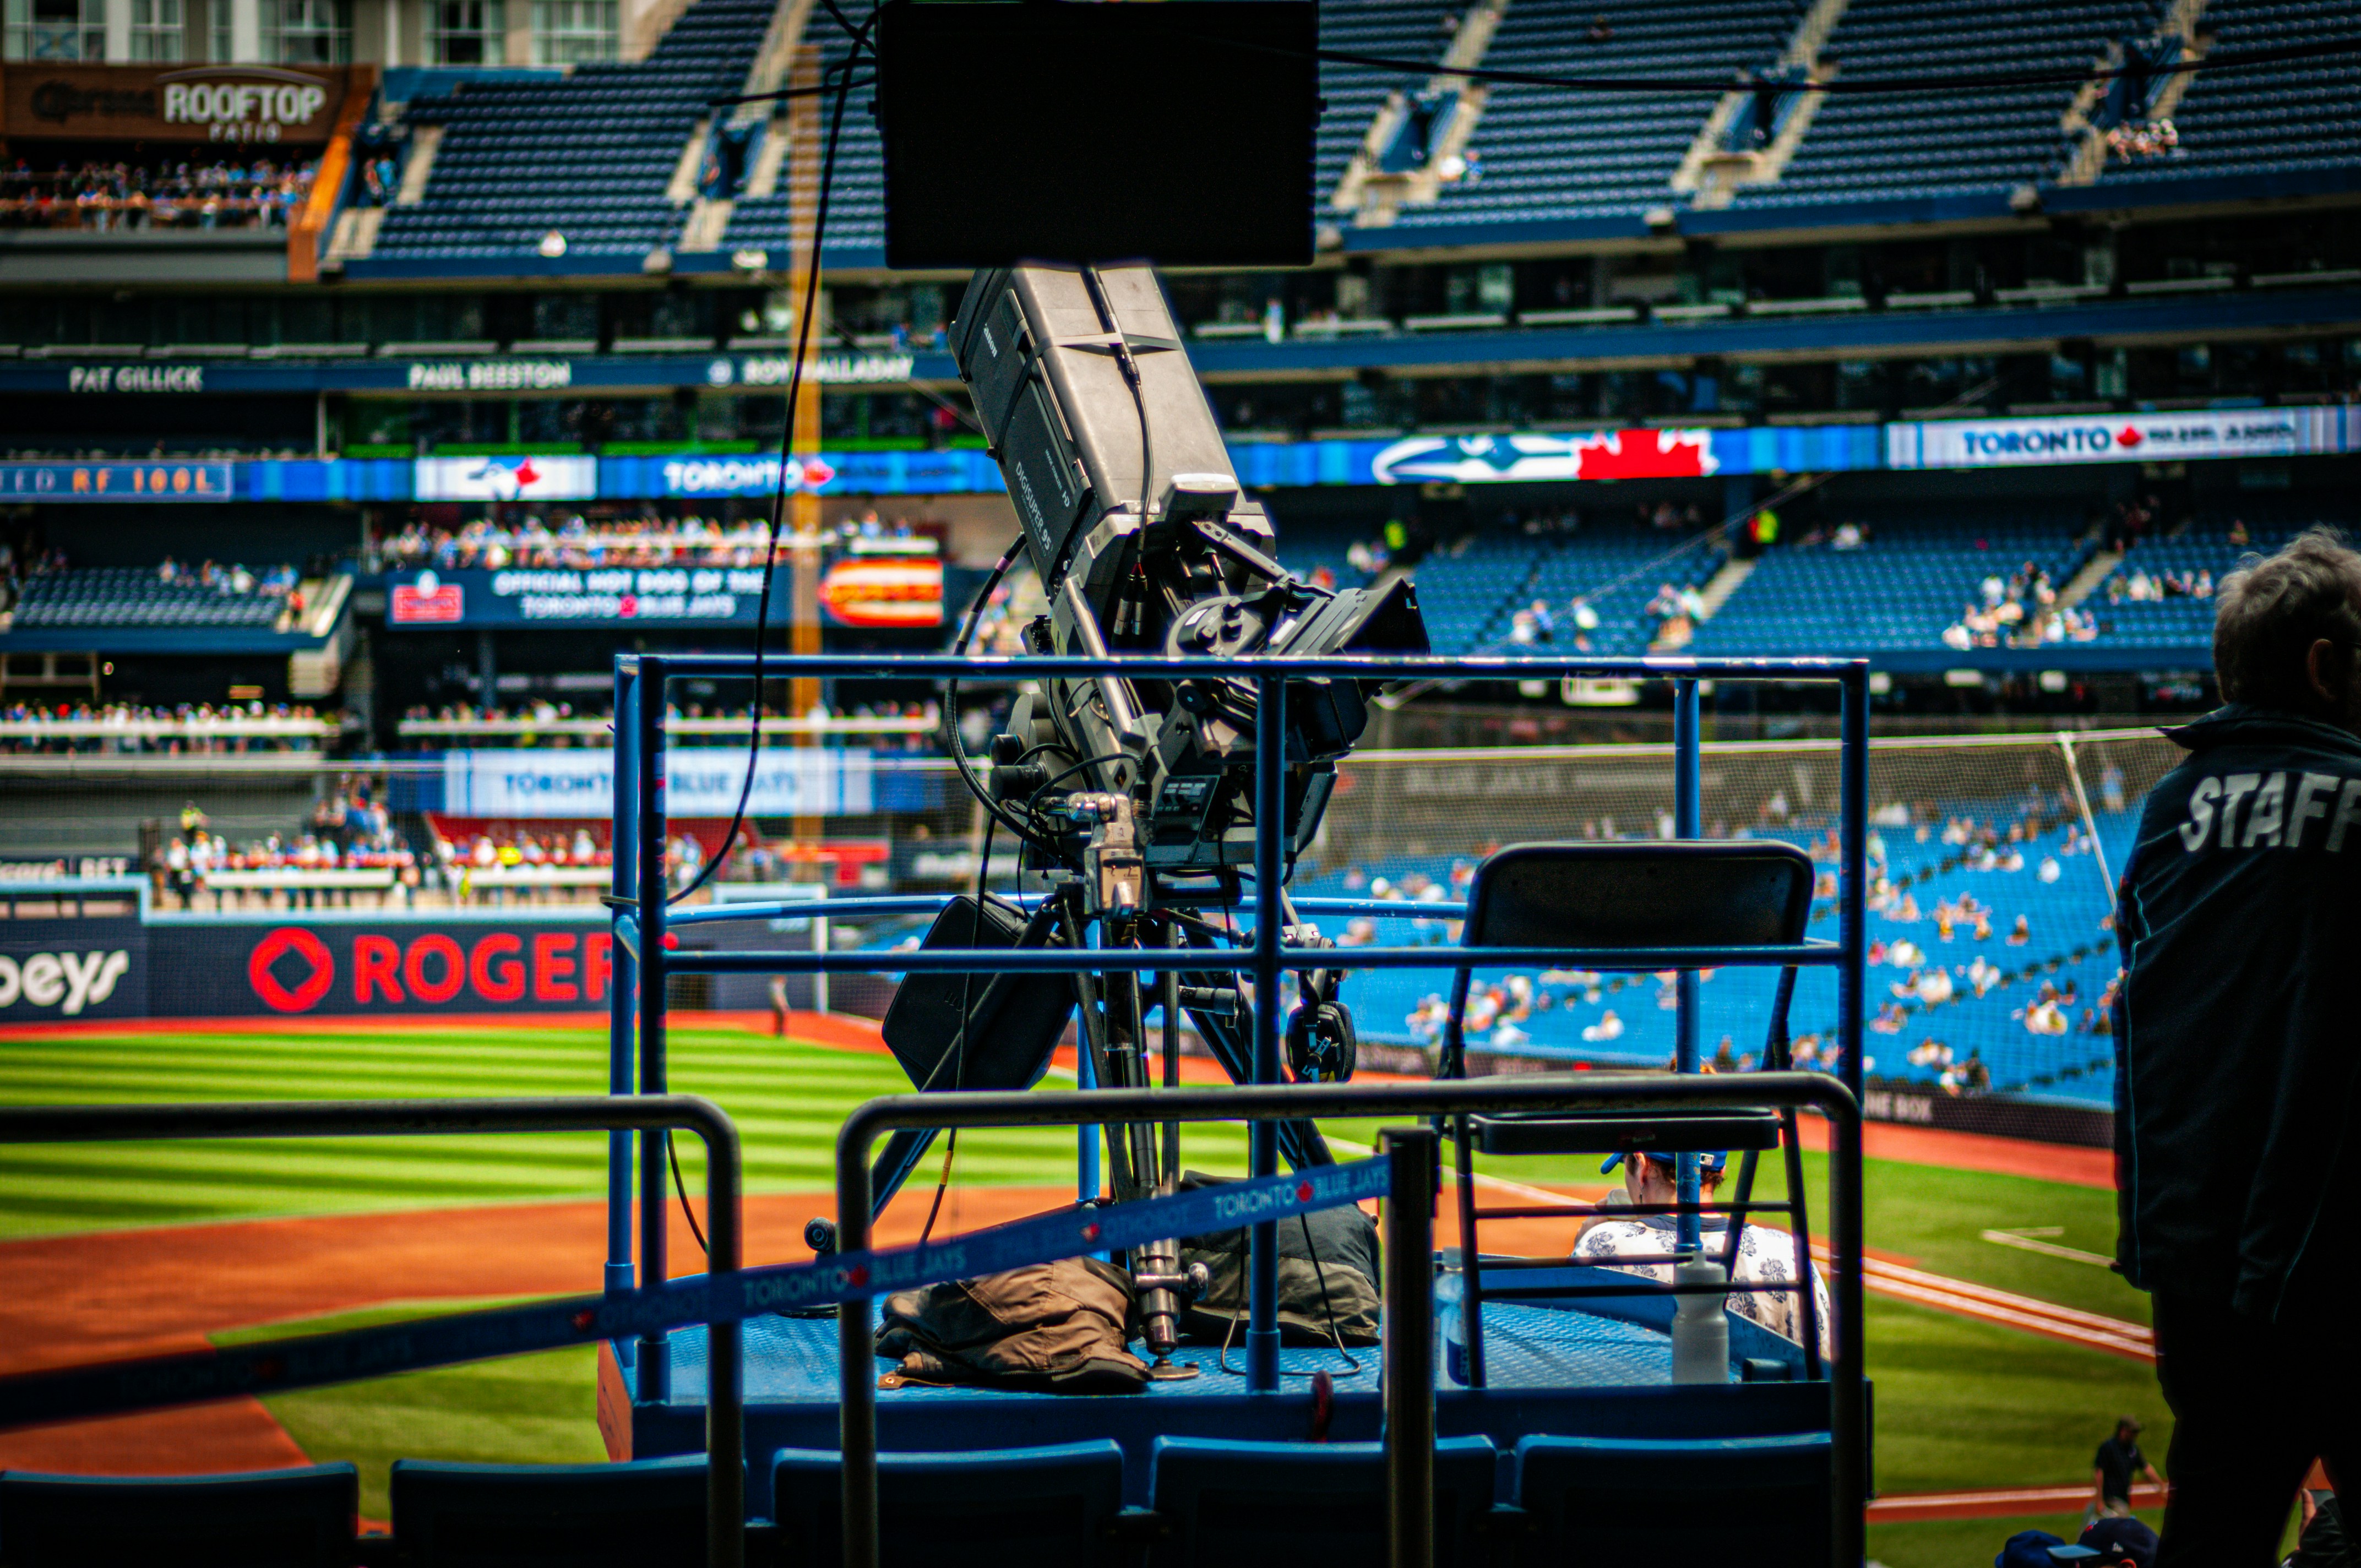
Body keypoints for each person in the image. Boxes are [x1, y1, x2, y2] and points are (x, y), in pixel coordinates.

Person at [2113, 529, 2361, 1566]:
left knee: (2213, 1527)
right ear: (2324, 666)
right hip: (2340, 1264)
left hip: (2199, 1276)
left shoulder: (2170, 809)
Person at [1573, 1148, 1832, 1358]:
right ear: (1721, 1171)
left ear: (1643, 1167)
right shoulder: (1790, 1253)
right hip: (1764, 1407)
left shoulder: (1604, 1245)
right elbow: (1823, 1361)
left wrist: (1585, 1240)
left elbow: (1574, 1352)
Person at [2090, 1416, 2164, 1525]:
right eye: (2133, 1432)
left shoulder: (2133, 1449)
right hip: (2111, 1499)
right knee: (2121, 1527)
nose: (2136, 1435)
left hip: (2123, 1499)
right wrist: (2099, 1501)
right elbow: (2099, 1473)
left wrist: (2161, 1487)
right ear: (2123, 1431)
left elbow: (2146, 1468)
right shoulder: (2108, 1447)